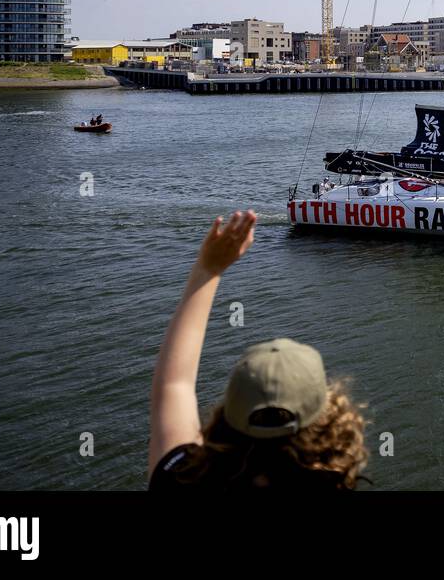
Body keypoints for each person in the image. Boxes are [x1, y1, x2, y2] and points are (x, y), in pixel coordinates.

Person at [148, 210, 368, 490]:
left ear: (228, 415)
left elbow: (173, 385)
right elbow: (172, 387)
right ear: (330, 426)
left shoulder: (181, 477)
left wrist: (208, 269)